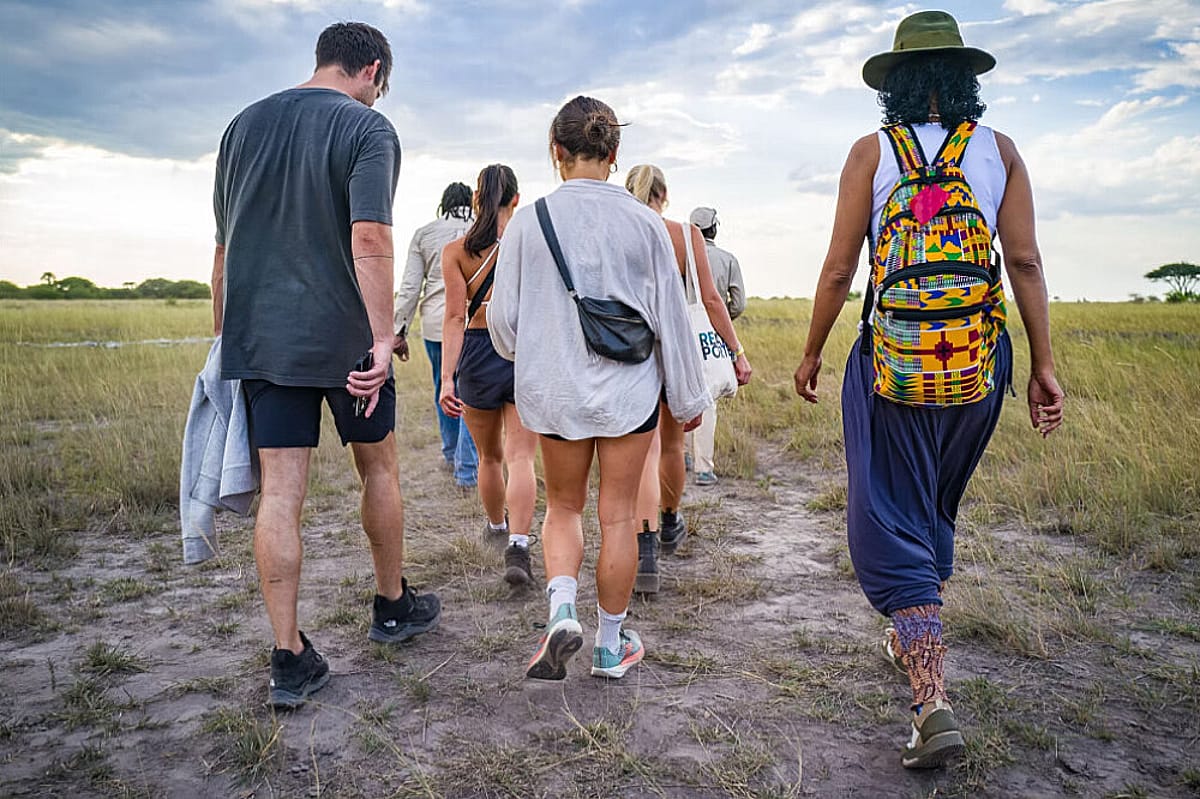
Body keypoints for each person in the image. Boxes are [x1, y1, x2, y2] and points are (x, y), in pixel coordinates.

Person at [793, 10, 1064, 768]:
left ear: (897, 83)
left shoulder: (871, 152)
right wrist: (1041, 365)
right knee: (934, 502)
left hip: (893, 365)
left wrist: (812, 352)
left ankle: (930, 699)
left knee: (889, 515)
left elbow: (840, 269)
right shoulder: (1000, 152)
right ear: (965, 79)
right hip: (978, 364)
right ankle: (912, 632)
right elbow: (1025, 264)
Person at [211, 22, 441, 709]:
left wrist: (225, 340)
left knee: (281, 494)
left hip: (264, 343)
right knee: (380, 468)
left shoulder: (241, 126)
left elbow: (222, 251)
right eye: (381, 86)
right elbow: (369, 235)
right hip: (348, 343)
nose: (378, 96)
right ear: (371, 70)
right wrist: (383, 337)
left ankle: (288, 656)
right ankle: (392, 606)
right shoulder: (367, 128)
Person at [487, 96, 711, 681]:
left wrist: (539, 352)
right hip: (628, 397)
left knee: (562, 507)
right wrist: (688, 399)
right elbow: (672, 320)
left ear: (556, 151)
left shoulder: (528, 223)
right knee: (617, 517)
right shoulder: (645, 223)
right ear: (614, 155)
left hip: (555, 394)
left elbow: (503, 326)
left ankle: (562, 612)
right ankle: (611, 647)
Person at [624, 166, 752, 594]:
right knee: (672, 446)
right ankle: (668, 521)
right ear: (663, 194)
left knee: (644, 452)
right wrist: (736, 352)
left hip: (630, 353)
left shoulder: (618, 232)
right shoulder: (685, 234)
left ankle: (644, 551)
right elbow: (712, 300)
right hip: (677, 351)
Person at [439, 164, 539, 586]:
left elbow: (453, 318)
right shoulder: (531, 245)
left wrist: (447, 378)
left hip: (478, 353)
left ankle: (497, 527)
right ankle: (519, 544)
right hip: (521, 351)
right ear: (515, 199)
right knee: (521, 457)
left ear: (476, 199)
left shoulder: (456, 251)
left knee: (489, 457)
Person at [394, 183, 479, 488]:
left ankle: (450, 453)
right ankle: (467, 470)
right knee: (469, 395)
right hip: (472, 324)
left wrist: (398, 330)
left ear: (444, 204)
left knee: (443, 388)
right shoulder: (481, 230)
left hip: (434, 325)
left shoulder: (425, 234)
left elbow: (409, 287)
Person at [686, 206, 746, 487]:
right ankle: (704, 468)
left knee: (684, 390)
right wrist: (723, 322)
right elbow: (739, 303)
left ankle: (683, 455)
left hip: (683, 332)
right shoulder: (728, 259)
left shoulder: (680, 255)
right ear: (714, 228)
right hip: (715, 334)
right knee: (708, 398)